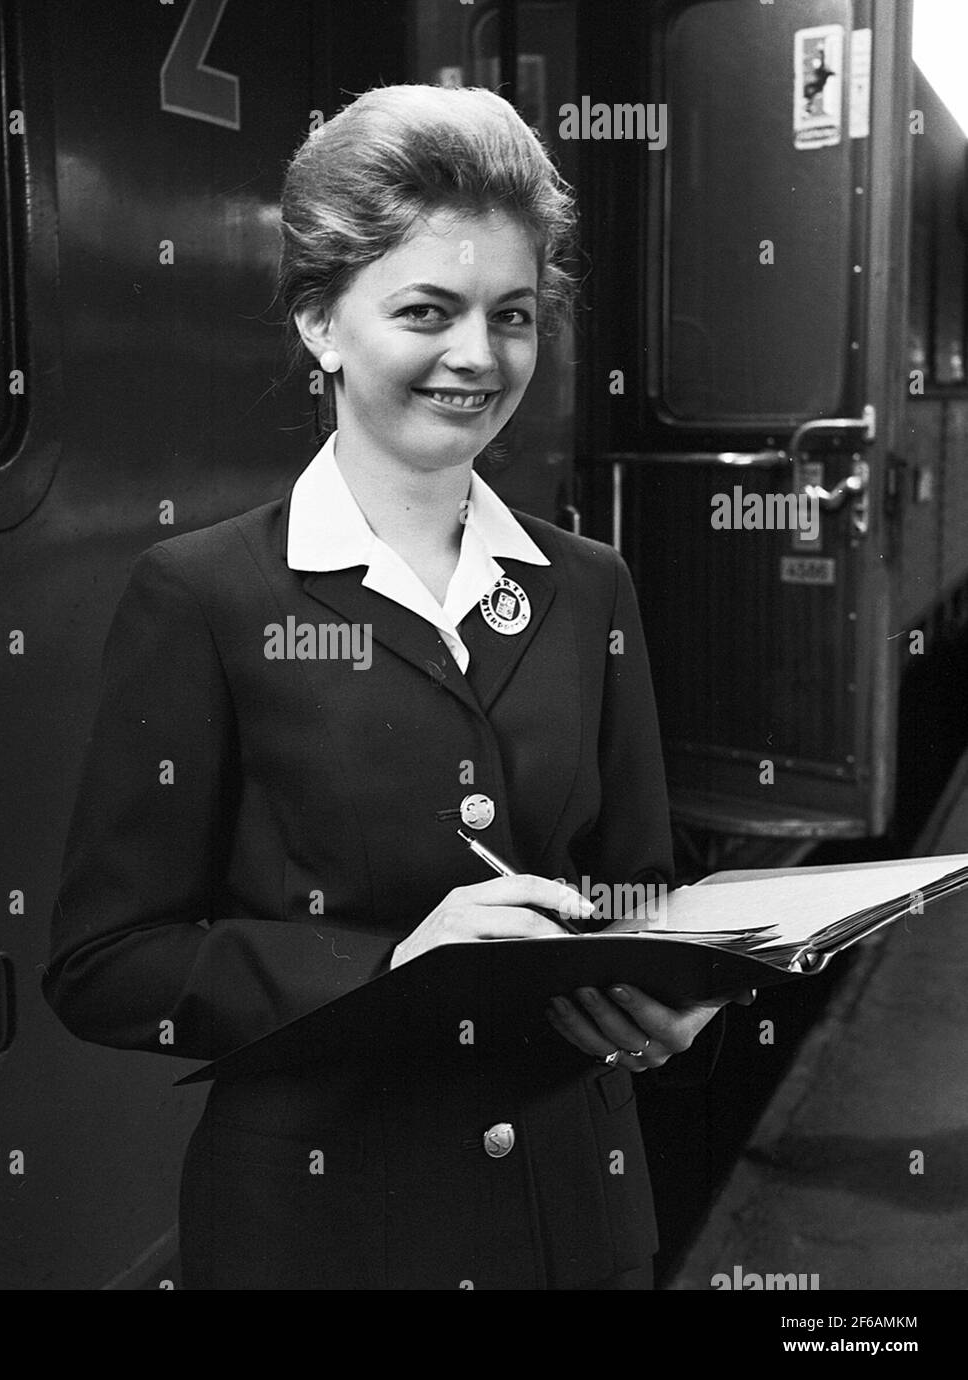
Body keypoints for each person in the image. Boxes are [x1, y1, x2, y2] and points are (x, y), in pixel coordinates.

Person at [44, 83, 742, 1290]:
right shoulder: (202, 597)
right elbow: (107, 965)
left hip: (570, 1228)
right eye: (428, 309)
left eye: (511, 315)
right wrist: (388, 968)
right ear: (320, 322)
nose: (477, 356)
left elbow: (639, 882)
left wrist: (676, 1004)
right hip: (320, 1240)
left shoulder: (589, 587)